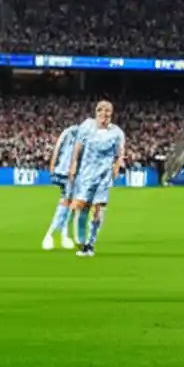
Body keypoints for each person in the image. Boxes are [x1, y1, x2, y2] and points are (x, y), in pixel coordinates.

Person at [67, 101, 126, 258]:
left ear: (111, 114)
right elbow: (78, 146)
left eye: (108, 111)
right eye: (101, 110)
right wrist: (73, 164)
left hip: (104, 176)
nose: (104, 114)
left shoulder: (117, 133)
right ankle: (80, 240)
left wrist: (116, 168)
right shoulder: (87, 126)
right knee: (81, 207)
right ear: (96, 112)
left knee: (98, 211)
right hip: (86, 174)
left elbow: (119, 154)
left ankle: (90, 244)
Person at [41, 122, 83, 251]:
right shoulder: (86, 134)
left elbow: (58, 147)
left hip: (67, 172)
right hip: (68, 172)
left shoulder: (68, 130)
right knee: (66, 203)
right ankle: (50, 234)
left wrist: (53, 166)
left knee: (71, 204)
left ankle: (64, 235)